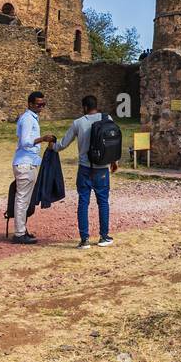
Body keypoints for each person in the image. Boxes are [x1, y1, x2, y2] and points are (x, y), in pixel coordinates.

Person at [57, 95, 117, 249]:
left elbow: (63, 144)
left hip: (84, 168)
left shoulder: (78, 123)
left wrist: (52, 145)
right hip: (102, 168)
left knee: (83, 202)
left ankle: (84, 239)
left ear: (84, 107)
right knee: (103, 202)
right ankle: (104, 236)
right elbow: (112, 142)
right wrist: (114, 161)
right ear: (96, 106)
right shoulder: (107, 118)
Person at [12, 91, 56, 245]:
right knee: (23, 199)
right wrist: (42, 139)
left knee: (24, 199)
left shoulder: (29, 118)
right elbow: (25, 142)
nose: (41, 107)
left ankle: (21, 230)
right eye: (39, 104)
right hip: (25, 162)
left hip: (27, 162)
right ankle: (19, 233)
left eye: (43, 104)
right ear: (30, 104)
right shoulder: (28, 119)